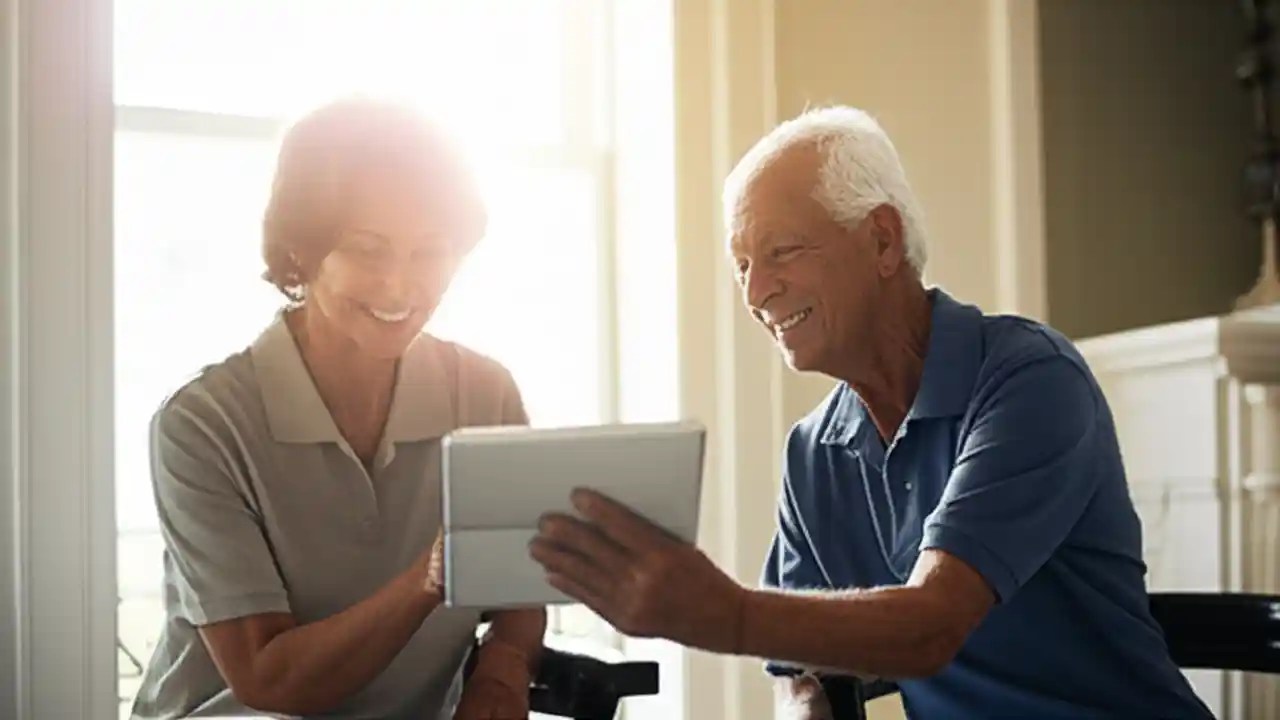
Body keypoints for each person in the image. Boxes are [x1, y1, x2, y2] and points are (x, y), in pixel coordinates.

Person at [528, 106, 1214, 719]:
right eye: (742, 265)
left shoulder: (1030, 379)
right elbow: (801, 679)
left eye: (781, 252)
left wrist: (721, 612)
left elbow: (931, 625)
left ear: (883, 241)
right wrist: (803, 706)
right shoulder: (812, 451)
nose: (757, 292)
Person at [131, 98, 546, 719]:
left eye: (429, 252)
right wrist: (430, 578)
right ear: (301, 251)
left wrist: (502, 677)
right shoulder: (201, 424)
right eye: (369, 250)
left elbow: (519, 587)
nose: (400, 287)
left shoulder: (487, 394)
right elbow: (269, 679)